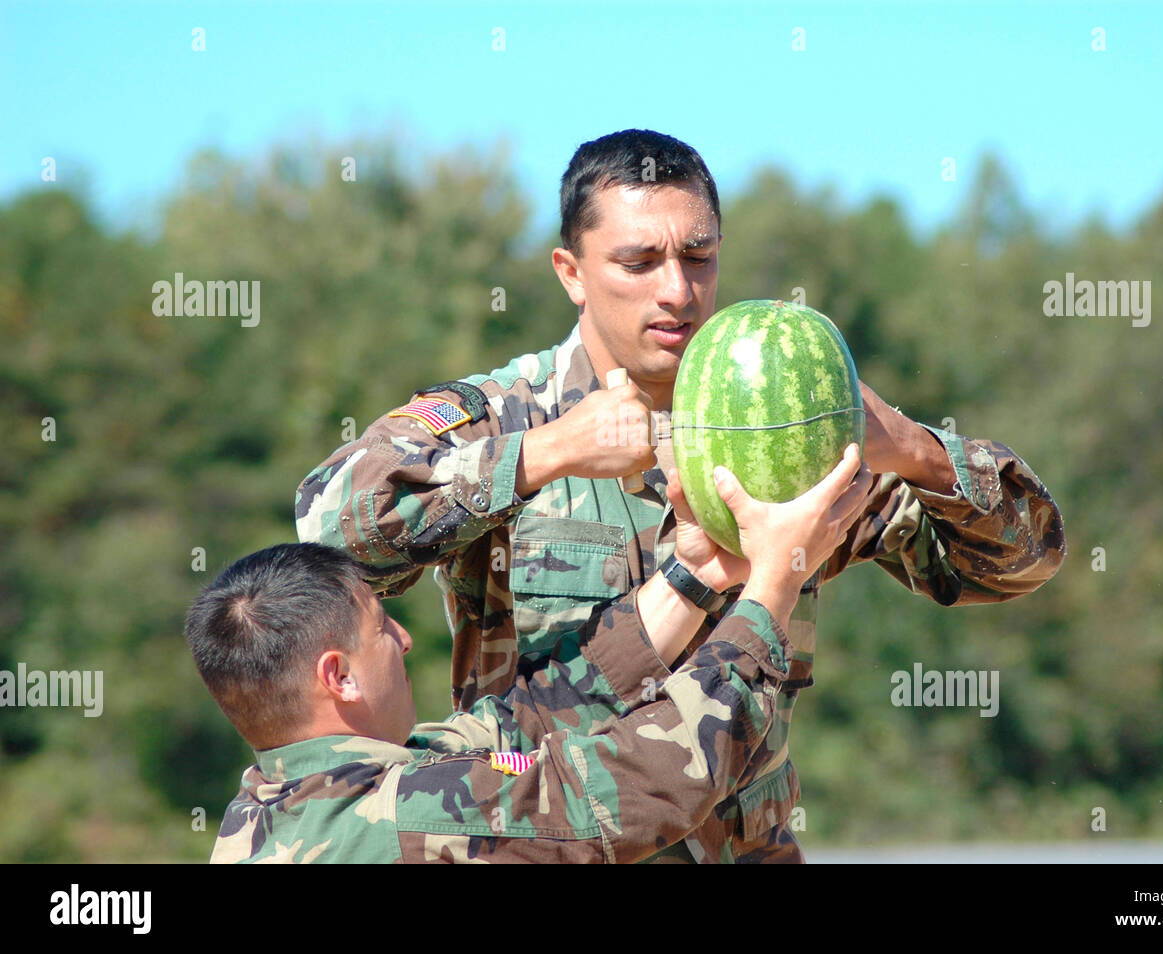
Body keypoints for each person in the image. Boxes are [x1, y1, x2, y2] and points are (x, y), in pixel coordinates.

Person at [294, 128, 1067, 863]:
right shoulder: (507, 414)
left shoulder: (782, 426)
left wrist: (916, 451)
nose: (677, 290)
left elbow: (1014, 565)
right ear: (571, 272)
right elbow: (326, 536)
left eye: (698, 257)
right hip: (546, 844)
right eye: (639, 261)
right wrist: (547, 454)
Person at [193, 446, 872, 862]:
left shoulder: (269, 807)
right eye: (380, 627)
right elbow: (642, 784)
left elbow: (530, 724)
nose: (403, 640)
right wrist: (775, 586)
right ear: (335, 676)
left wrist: (695, 579)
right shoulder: (409, 814)